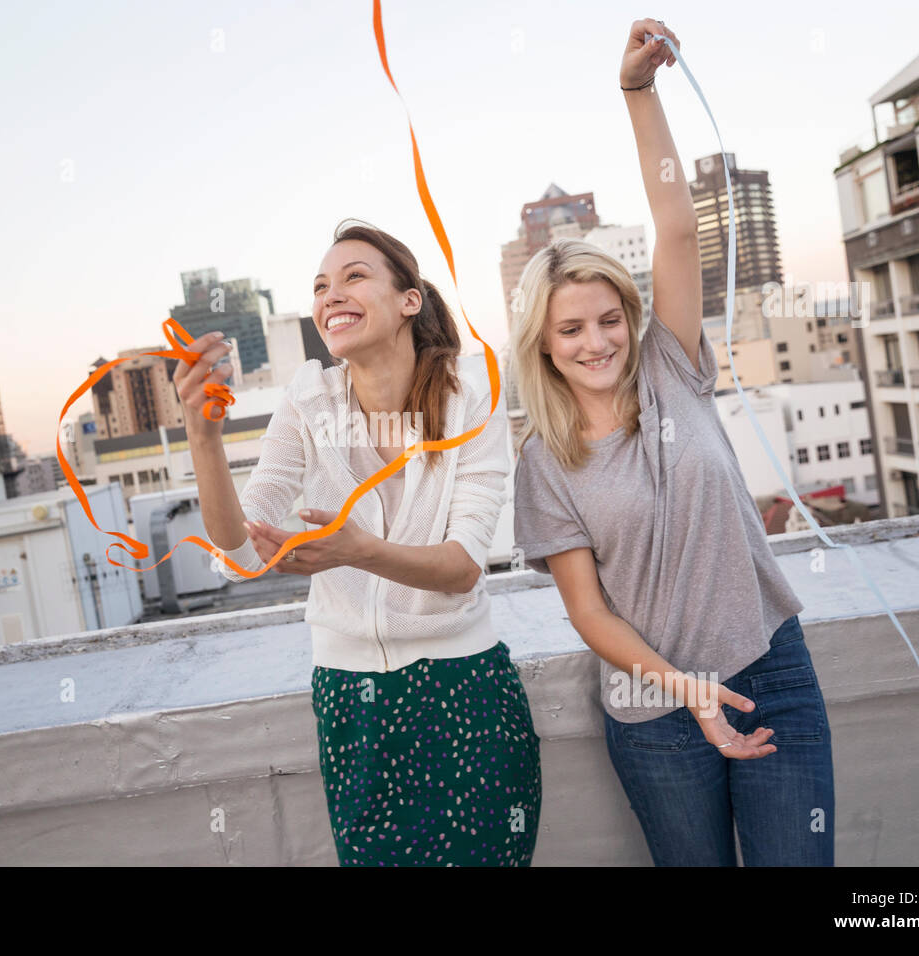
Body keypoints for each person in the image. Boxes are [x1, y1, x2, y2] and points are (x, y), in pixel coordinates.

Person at [510, 19, 834, 866]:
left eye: (609, 318)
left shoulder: (672, 366)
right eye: (571, 329)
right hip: (654, 712)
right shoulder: (544, 464)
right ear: (544, 344)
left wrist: (638, 93)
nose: (596, 342)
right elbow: (587, 611)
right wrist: (688, 691)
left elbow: (678, 229)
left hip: (770, 672)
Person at [177, 218, 541, 866]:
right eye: (320, 286)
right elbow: (238, 554)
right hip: (354, 704)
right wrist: (204, 440)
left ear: (409, 300)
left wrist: (355, 550)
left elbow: (461, 569)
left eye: (353, 277)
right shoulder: (307, 400)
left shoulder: (472, 389)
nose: (330, 296)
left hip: (466, 694)